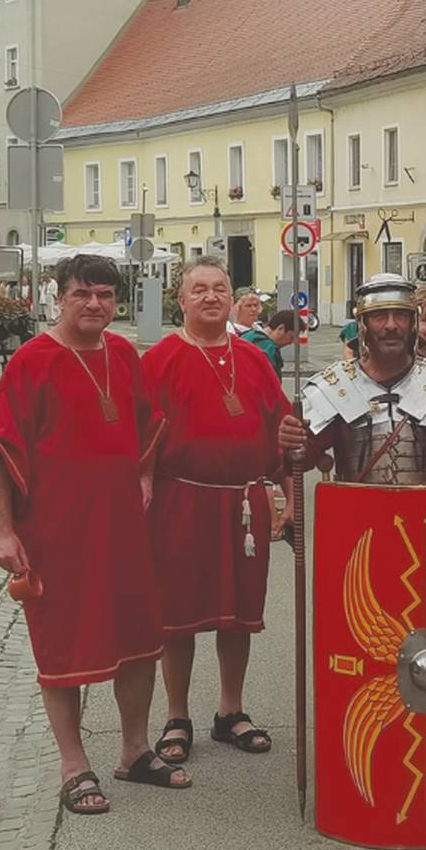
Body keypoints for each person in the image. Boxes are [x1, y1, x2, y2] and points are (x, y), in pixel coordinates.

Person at [0, 253, 188, 816]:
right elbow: (0, 449)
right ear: (60, 296)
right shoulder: (31, 361)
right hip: (56, 531)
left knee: (141, 637)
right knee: (63, 645)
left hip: (123, 529)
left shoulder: (122, 353)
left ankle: (135, 750)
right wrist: (3, 532)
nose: (95, 304)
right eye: (82, 294)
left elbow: (147, 424)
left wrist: (144, 474)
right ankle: (74, 766)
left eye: (104, 295)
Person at [141, 257, 292, 769]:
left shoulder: (253, 359)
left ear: (231, 299)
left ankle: (230, 711)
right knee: (177, 615)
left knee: (239, 614)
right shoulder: (159, 360)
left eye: (219, 289)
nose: (210, 297)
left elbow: (282, 433)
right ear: (181, 301)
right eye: (199, 289)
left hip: (245, 504)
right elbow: (137, 443)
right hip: (180, 500)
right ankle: (176, 715)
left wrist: (288, 494)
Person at [278, 273, 426, 486]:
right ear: (363, 324)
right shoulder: (336, 386)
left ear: (412, 322)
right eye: (379, 317)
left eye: (401, 316)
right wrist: (292, 443)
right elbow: (298, 463)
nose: (391, 326)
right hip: (358, 515)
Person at [241, 309, 301, 382]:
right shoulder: (269, 349)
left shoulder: (246, 335)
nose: (291, 343)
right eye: (291, 337)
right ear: (281, 328)